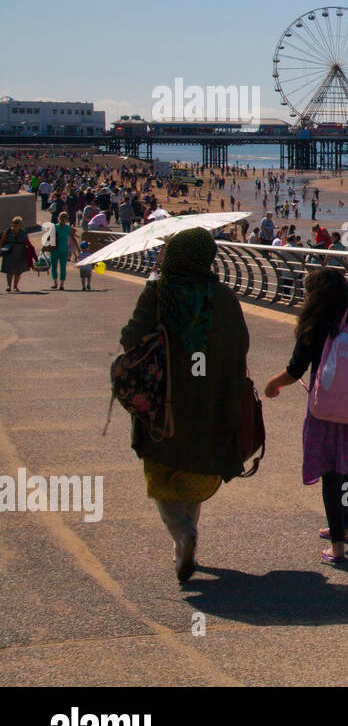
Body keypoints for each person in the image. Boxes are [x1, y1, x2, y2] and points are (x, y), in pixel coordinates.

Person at [120, 229, 249, 583]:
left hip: (165, 398)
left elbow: (131, 338)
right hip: (212, 399)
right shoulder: (222, 296)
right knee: (196, 465)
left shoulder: (159, 293)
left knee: (162, 467)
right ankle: (183, 544)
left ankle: (181, 532)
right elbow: (240, 347)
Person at [263, 268, 348, 562]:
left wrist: (271, 385)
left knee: (330, 475)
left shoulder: (317, 324)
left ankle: (337, 548)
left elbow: (295, 370)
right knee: (347, 471)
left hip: (326, 410)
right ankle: (343, 529)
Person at [2, 216, 37, 292]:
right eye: (15, 222)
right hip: (9, 252)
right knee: (9, 270)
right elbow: (2, 240)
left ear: (21, 224)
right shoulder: (8, 231)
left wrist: (31, 254)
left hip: (20, 252)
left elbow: (28, 243)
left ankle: (15, 286)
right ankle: (9, 286)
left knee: (18, 270)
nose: (16, 224)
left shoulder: (23, 233)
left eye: (18, 223)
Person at [48, 212, 76, 290]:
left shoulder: (54, 227)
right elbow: (73, 239)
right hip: (64, 249)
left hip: (55, 249)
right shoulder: (68, 228)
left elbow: (49, 238)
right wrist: (79, 249)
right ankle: (62, 284)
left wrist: (45, 247)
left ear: (58, 218)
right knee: (63, 267)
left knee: (54, 267)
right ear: (66, 219)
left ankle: (55, 283)